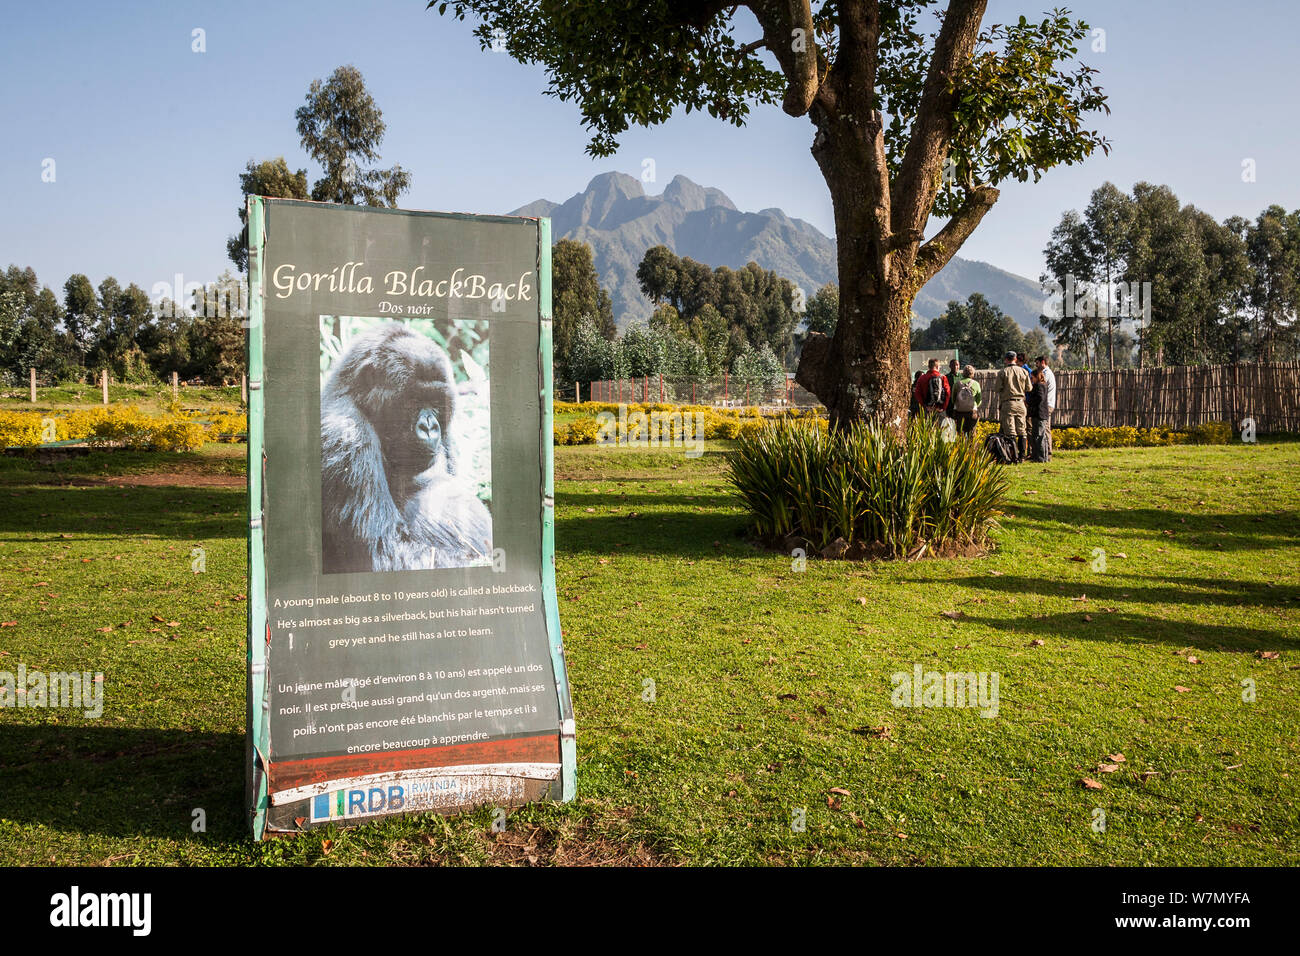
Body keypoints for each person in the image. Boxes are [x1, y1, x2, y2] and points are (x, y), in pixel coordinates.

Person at [994, 350, 1031, 462]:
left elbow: (997, 388)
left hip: (1008, 403)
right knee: (1022, 431)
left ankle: (1013, 456)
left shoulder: (1002, 372)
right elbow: (1029, 388)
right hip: (1020, 403)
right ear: (1015, 359)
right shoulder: (1023, 372)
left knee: (1010, 431)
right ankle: (1022, 456)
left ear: (1006, 359)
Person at [949, 364, 981, 435]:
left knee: (960, 433)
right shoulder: (976, 384)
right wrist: (975, 405)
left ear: (963, 373)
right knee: (972, 433)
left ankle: (961, 446)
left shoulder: (957, 384)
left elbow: (953, 399)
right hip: (972, 412)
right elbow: (979, 400)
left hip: (959, 412)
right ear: (972, 373)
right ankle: (971, 446)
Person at [1027, 369, 1051, 462]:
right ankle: (1043, 457)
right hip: (1041, 413)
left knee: (1039, 436)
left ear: (1037, 377)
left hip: (1039, 413)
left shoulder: (1039, 386)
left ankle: (1040, 457)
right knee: (1040, 436)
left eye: (1032, 377)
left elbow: (1039, 398)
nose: (1031, 379)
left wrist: (1029, 402)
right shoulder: (1043, 385)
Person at [1035, 354, 1056, 458]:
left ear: (1042, 362)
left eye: (1037, 363)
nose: (1036, 366)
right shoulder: (1048, 373)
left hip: (1046, 404)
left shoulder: (1046, 374)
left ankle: (1048, 452)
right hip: (1047, 404)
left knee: (1045, 428)